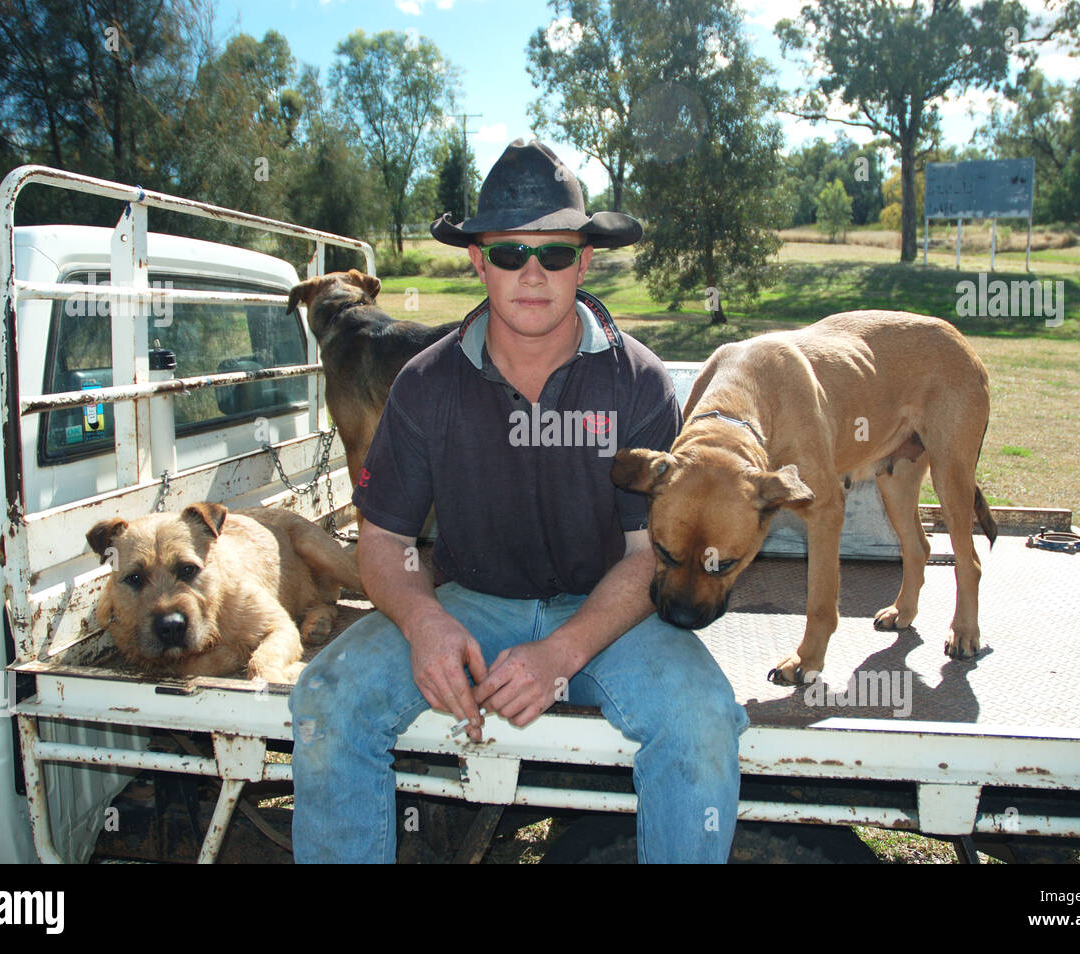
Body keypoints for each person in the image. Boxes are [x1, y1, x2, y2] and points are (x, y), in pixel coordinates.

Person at [289, 139, 747, 863]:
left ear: (584, 261)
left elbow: (642, 557)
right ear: (478, 260)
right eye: (509, 254)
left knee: (702, 720)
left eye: (555, 254)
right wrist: (424, 620)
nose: (532, 274)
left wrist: (560, 652)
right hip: (471, 600)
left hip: (610, 611)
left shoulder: (639, 382)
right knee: (325, 702)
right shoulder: (424, 383)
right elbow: (382, 541)